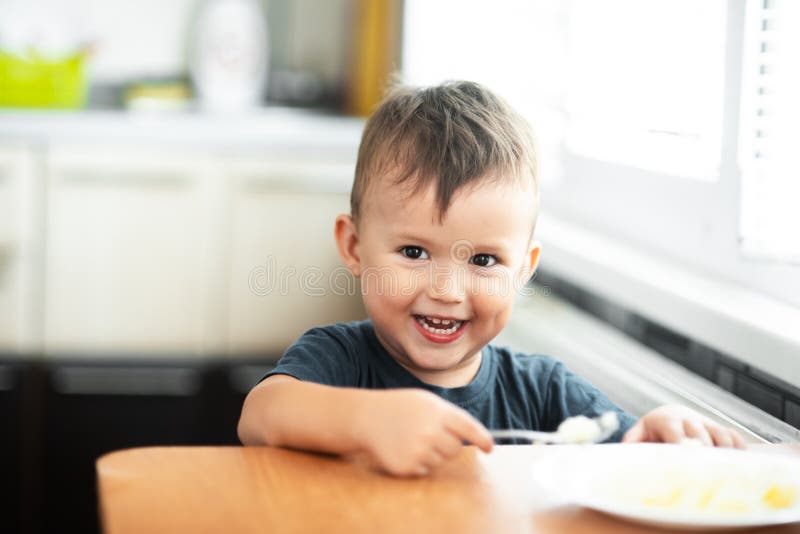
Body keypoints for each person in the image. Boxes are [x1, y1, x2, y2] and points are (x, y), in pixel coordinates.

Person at [238, 80, 745, 477]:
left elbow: (625, 453)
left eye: (483, 261)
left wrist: (655, 437)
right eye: (414, 252)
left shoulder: (545, 391)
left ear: (523, 269)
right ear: (354, 248)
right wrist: (366, 422)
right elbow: (259, 415)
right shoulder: (340, 358)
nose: (446, 290)